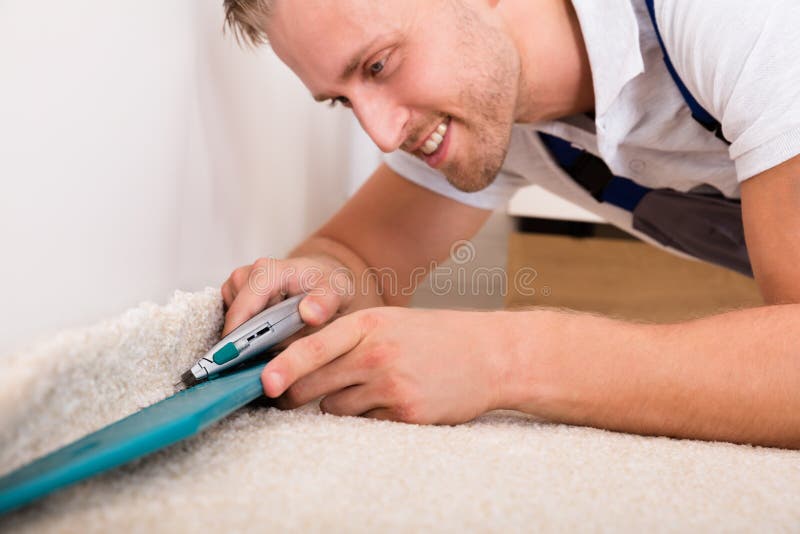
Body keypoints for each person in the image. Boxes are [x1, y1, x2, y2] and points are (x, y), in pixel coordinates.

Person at [218, 0, 800, 448]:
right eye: (343, 101)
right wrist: (318, 284)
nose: (383, 133)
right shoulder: (498, 110)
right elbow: (356, 256)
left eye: (378, 65)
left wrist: (503, 358)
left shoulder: (740, 19)